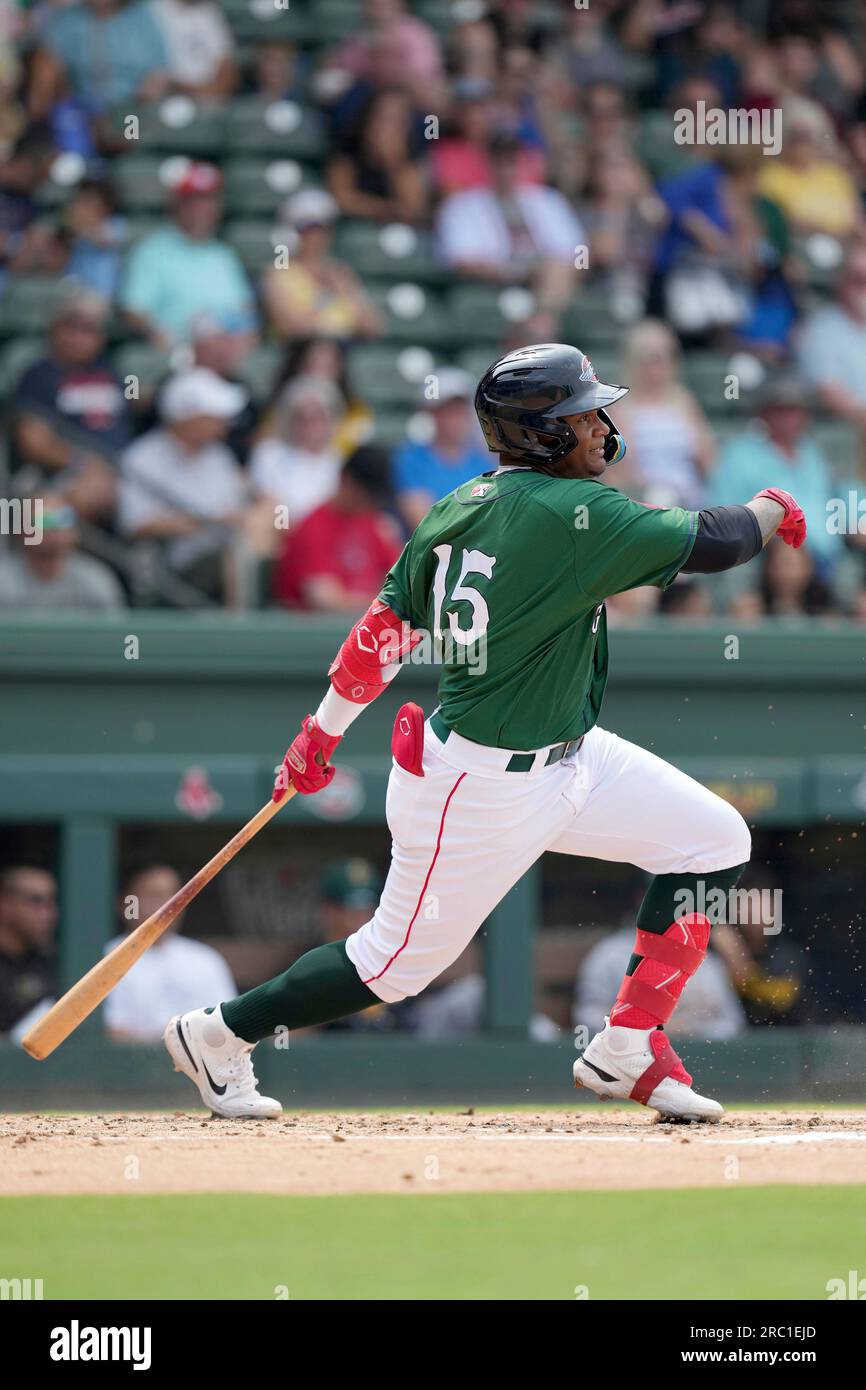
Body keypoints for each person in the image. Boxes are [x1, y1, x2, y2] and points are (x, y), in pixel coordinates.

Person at [162, 342, 807, 1122]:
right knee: (390, 967)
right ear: (541, 434)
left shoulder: (461, 502)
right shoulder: (576, 515)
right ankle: (221, 1033)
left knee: (712, 841)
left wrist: (321, 732)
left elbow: (386, 630)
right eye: (582, 415)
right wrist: (776, 502)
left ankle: (627, 1046)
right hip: (479, 785)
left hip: (571, 753)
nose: (603, 426)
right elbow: (723, 539)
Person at [117, 367, 249, 598]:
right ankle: (239, 628)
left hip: (221, 551)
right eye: (213, 418)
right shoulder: (142, 458)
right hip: (172, 566)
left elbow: (235, 511)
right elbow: (135, 524)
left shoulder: (219, 456)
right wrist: (204, 521)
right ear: (188, 419)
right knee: (235, 560)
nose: (223, 424)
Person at [436, 130, 582, 335]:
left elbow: (576, 253)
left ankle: (541, 319)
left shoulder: (548, 200)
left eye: (511, 161)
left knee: (558, 269)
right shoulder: (462, 205)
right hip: (494, 282)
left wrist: (538, 269)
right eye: (499, 161)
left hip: (544, 276)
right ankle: (542, 325)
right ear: (488, 163)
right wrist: (514, 271)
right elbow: (460, 260)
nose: (506, 169)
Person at [11, 290, 127, 520]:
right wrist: (84, 463)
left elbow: (133, 405)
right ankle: (43, 535)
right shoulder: (38, 375)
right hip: (58, 477)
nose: (79, 337)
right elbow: (33, 441)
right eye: (72, 326)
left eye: (90, 329)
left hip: (123, 475)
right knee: (82, 494)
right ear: (54, 330)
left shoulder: (113, 375)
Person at [120, 162, 258, 348]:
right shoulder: (151, 252)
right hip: (177, 353)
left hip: (225, 355)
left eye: (209, 200)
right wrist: (159, 336)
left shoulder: (224, 255)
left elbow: (245, 309)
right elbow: (133, 311)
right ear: (177, 205)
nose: (202, 209)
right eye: (194, 200)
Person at [104, 864, 236, 1042]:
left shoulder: (206, 959)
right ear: (125, 902)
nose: (168, 904)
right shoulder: (106, 958)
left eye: (174, 895)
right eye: (154, 895)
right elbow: (109, 1030)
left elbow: (226, 1027)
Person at [273, 444, 402, 612]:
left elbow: (402, 580)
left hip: (367, 628)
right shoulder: (313, 528)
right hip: (318, 632)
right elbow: (325, 601)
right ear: (347, 481)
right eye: (368, 494)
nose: (373, 502)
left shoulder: (372, 522)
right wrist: (389, 603)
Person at [575, 921, 746, 1041]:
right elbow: (586, 1017)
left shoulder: (705, 961)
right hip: (629, 1062)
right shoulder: (611, 953)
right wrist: (644, 1029)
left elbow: (731, 1024)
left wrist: (690, 1030)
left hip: (697, 1064)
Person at [612, 319, 715, 510]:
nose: (656, 367)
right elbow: (620, 474)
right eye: (650, 358)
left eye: (664, 357)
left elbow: (707, 461)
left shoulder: (684, 401)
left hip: (691, 500)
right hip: (645, 503)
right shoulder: (621, 407)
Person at [261, 188, 382, 343]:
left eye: (323, 229)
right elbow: (293, 328)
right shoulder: (277, 273)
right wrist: (325, 296)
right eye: (308, 229)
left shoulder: (340, 272)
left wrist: (346, 293)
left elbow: (373, 327)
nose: (317, 237)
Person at [393, 368, 491, 529]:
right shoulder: (410, 459)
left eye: (459, 410)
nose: (454, 418)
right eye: (446, 410)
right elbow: (424, 523)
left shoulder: (484, 460)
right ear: (431, 414)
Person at [0, 494, 125, 611]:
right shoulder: (3, 581)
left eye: (64, 519)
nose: (54, 527)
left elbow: (113, 632)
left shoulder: (96, 580)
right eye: (42, 521)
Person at [327, 87, 428, 225]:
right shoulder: (347, 151)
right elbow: (342, 199)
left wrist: (393, 162)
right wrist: (388, 210)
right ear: (367, 118)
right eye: (384, 118)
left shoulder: (409, 159)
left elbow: (411, 209)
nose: (387, 128)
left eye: (398, 121)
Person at [0, 866, 58, 1038]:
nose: (48, 913)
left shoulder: (50, 960)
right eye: (36, 901)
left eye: (51, 902)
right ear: (5, 905)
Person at [150, 0, 237, 101]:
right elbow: (151, 87)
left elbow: (227, 72)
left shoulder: (208, 10)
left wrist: (207, 93)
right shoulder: (147, 14)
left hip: (210, 101)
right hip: (165, 103)